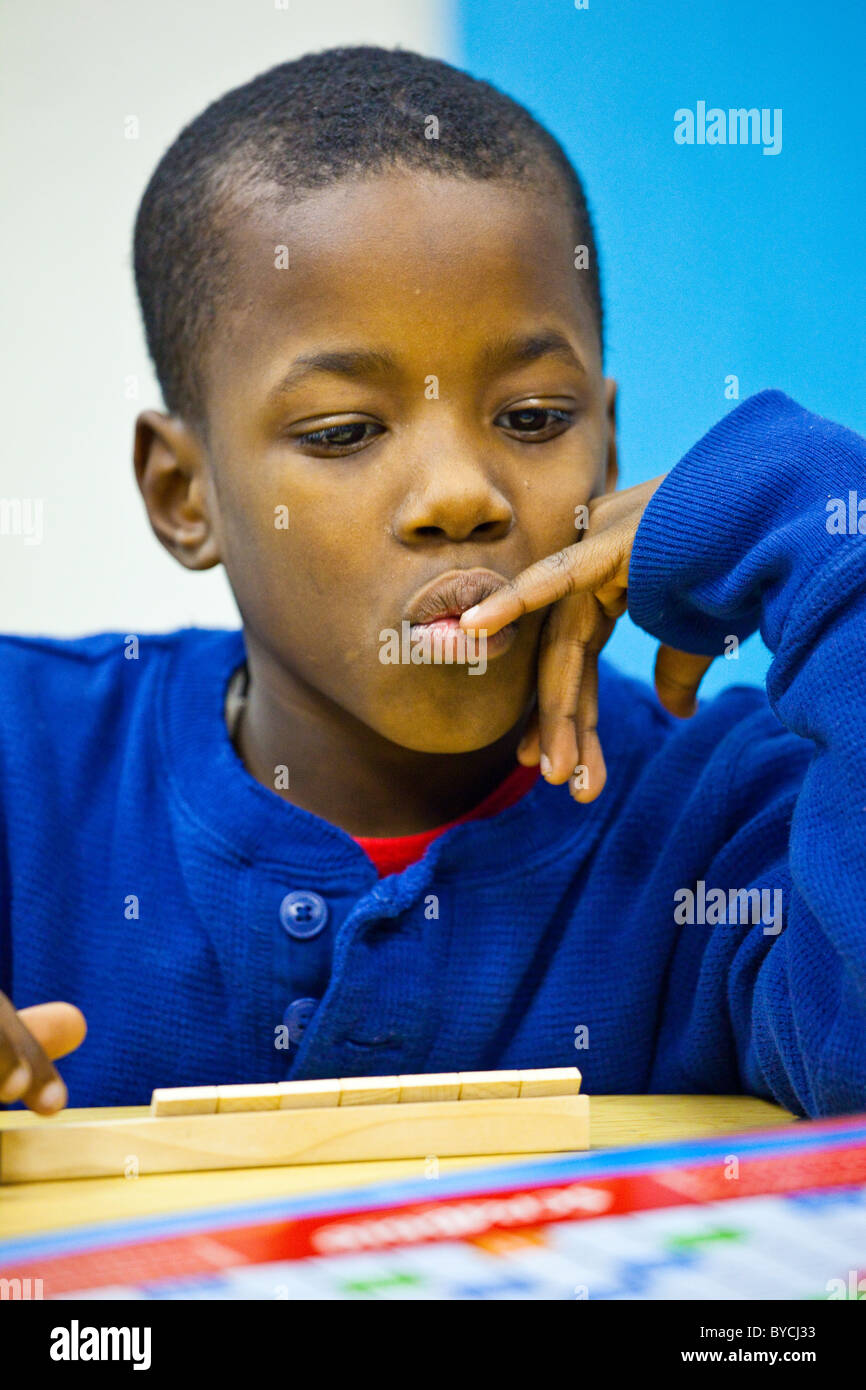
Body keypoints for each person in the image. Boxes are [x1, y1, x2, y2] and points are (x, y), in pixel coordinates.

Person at [1, 46, 863, 1120]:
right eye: (344, 431)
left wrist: (819, 520)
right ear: (186, 493)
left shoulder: (731, 820)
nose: (460, 495)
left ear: (604, 452)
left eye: (533, 420)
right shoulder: (23, 768)